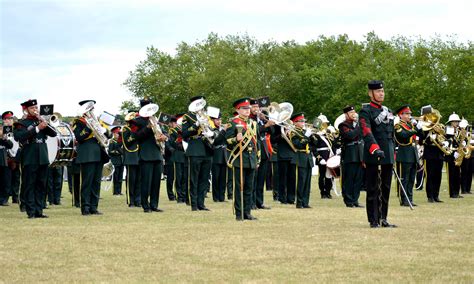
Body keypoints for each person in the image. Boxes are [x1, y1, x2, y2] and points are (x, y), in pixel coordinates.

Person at [359, 80, 397, 228]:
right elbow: (366, 131)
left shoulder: (388, 110)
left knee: (386, 187)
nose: (381, 93)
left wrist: (392, 151)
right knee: (373, 187)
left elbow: (390, 133)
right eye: (378, 91)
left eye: (382, 91)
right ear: (371, 93)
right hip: (373, 153)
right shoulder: (365, 111)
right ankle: (373, 219)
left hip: (387, 152)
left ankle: (383, 218)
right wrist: (375, 148)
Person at [13, 99, 57, 218]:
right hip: (29, 157)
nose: (35, 110)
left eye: (36, 108)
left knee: (41, 185)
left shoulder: (41, 121)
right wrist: (37, 128)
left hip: (43, 156)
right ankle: (31, 211)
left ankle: (39, 211)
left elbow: (54, 134)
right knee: (29, 185)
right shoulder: (21, 123)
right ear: (26, 110)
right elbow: (19, 137)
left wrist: (45, 123)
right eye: (32, 108)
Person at [182, 96, 219, 211]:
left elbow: (215, 130)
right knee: (194, 178)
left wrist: (211, 134)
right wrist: (196, 124)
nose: (200, 107)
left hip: (207, 149)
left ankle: (201, 203)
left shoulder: (207, 116)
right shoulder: (187, 117)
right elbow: (184, 134)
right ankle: (193, 204)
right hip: (195, 148)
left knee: (204, 178)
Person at [72, 100, 109, 216]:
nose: (91, 110)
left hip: (98, 154)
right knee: (87, 182)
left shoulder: (97, 121)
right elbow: (79, 137)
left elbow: (109, 136)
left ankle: (94, 207)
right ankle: (85, 208)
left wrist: (105, 131)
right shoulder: (78, 121)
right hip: (87, 154)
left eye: (92, 108)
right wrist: (89, 127)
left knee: (96, 182)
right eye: (89, 108)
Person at [225, 98, 259, 221]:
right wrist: (236, 139)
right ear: (237, 109)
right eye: (244, 109)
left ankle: (247, 212)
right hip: (239, 158)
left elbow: (257, 142)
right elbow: (227, 141)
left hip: (251, 159)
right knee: (239, 187)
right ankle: (239, 213)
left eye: (248, 108)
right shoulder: (232, 123)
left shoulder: (253, 123)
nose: (247, 111)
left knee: (249, 187)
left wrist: (257, 158)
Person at [134, 99, 167, 213]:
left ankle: (154, 204)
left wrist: (164, 137)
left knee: (156, 182)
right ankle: (145, 205)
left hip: (157, 154)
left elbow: (163, 132)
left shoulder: (155, 119)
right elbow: (136, 137)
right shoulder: (137, 121)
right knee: (146, 182)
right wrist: (148, 127)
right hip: (146, 154)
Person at [394, 105, 423, 206]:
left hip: (413, 153)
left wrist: (420, 127)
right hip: (404, 154)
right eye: (406, 114)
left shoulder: (411, 125)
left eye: (409, 114)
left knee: (411, 178)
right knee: (404, 178)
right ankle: (404, 199)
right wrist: (414, 129)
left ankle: (410, 199)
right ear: (400, 115)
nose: (409, 116)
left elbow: (422, 136)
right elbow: (403, 136)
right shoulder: (398, 126)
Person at [249, 98, 274, 209]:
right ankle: (252, 202)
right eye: (254, 107)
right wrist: (265, 125)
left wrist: (265, 120)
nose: (256, 109)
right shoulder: (249, 119)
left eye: (257, 107)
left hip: (264, 151)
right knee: (253, 179)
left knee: (261, 179)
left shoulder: (261, 118)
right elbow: (253, 132)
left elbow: (272, 132)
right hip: (254, 151)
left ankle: (260, 202)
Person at [338, 105, 364, 208]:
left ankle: (355, 199)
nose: (354, 114)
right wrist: (359, 126)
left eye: (354, 112)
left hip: (359, 154)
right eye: (351, 113)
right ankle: (348, 200)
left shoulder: (357, 125)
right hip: (350, 154)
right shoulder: (343, 125)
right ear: (346, 114)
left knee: (358, 179)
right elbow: (351, 135)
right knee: (349, 178)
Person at [289, 113, 314, 208]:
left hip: (308, 157)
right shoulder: (294, 132)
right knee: (301, 181)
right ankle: (299, 203)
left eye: (304, 121)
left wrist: (312, 136)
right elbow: (298, 145)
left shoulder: (304, 131)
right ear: (295, 123)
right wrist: (306, 136)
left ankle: (305, 202)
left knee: (308, 181)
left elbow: (314, 143)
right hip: (300, 156)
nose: (303, 123)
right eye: (301, 121)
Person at [314, 114, 336, 199]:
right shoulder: (315, 134)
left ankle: (328, 191)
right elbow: (313, 147)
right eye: (323, 124)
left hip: (329, 156)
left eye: (325, 124)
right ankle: (322, 193)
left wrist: (335, 152)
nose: (324, 125)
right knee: (322, 175)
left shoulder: (328, 133)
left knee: (329, 175)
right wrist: (319, 157)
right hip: (322, 156)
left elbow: (332, 144)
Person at [121, 111, 141, 207]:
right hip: (131, 157)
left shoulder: (138, 128)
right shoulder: (125, 129)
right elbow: (126, 143)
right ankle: (131, 200)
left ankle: (138, 200)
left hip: (140, 156)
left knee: (139, 180)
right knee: (131, 181)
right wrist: (134, 132)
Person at [168, 113, 188, 204]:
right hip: (178, 155)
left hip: (185, 155)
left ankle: (183, 195)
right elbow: (172, 143)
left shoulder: (186, 130)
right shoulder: (173, 130)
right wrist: (179, 141)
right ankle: (179, 196)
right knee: (178, 177)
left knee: (184, 177)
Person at [445, 113, 463, 198]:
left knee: (457, 174)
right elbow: (448, 141)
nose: (456, 123)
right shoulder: (448, 130)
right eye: (454, 122)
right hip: (450, 154)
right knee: (451, 174)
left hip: (458, 153)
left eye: (457, 122)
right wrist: (453, 152)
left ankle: (457, 191)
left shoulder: (459, 131)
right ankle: (452, 193)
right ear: (451, 122)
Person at [108, 126, 124, 196]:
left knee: (120, 177)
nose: (118, 135)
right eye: (117, 133)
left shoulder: (121, 141)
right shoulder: (112, 141)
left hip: (121, 161)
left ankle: (119, 191)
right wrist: (117, 152)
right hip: (115, 161)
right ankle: (115, 191)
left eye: (119, 133)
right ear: (114, 134)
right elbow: (110, 151)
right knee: (116, 177)